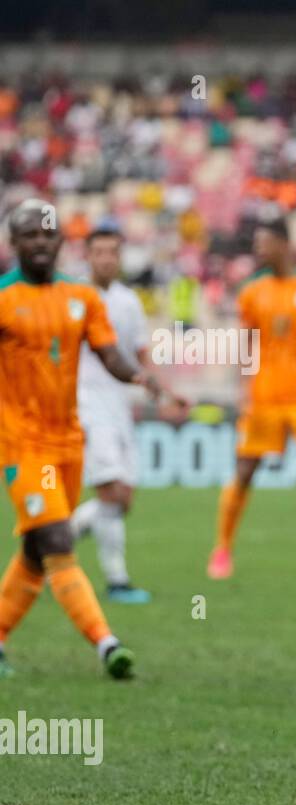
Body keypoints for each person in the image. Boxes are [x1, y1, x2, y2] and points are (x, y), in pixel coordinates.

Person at [0, 201, 184, 679]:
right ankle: (107, 644)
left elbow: (111, 358)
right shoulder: (3, 298)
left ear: (60, 243)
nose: (40, 243)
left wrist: (148, 381)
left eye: (47, 235)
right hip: (23, 445)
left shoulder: (82, 299)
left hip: (69, 444)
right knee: (59, 541)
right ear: (14, 244)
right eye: (29, 235)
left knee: (36, 552)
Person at [208, 217, 296, 579]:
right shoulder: (252, 292)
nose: (257, 249)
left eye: (263, 242)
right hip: (263, 398)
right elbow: (247, 345)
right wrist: (243, 389)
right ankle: (222, 549)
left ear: (283, 243)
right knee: (245, 472)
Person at [71, 222, 154, 603]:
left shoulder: (129, 301)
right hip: (85, 402)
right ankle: (117, 580)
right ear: (87, 256)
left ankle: (52, 539)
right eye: (98, 251)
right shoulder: (72, 297)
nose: (106, 259)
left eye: (112, 252)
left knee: (123, 499)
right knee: (111, 490)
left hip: (119, 405)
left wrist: (159, 389)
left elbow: (139, 354)